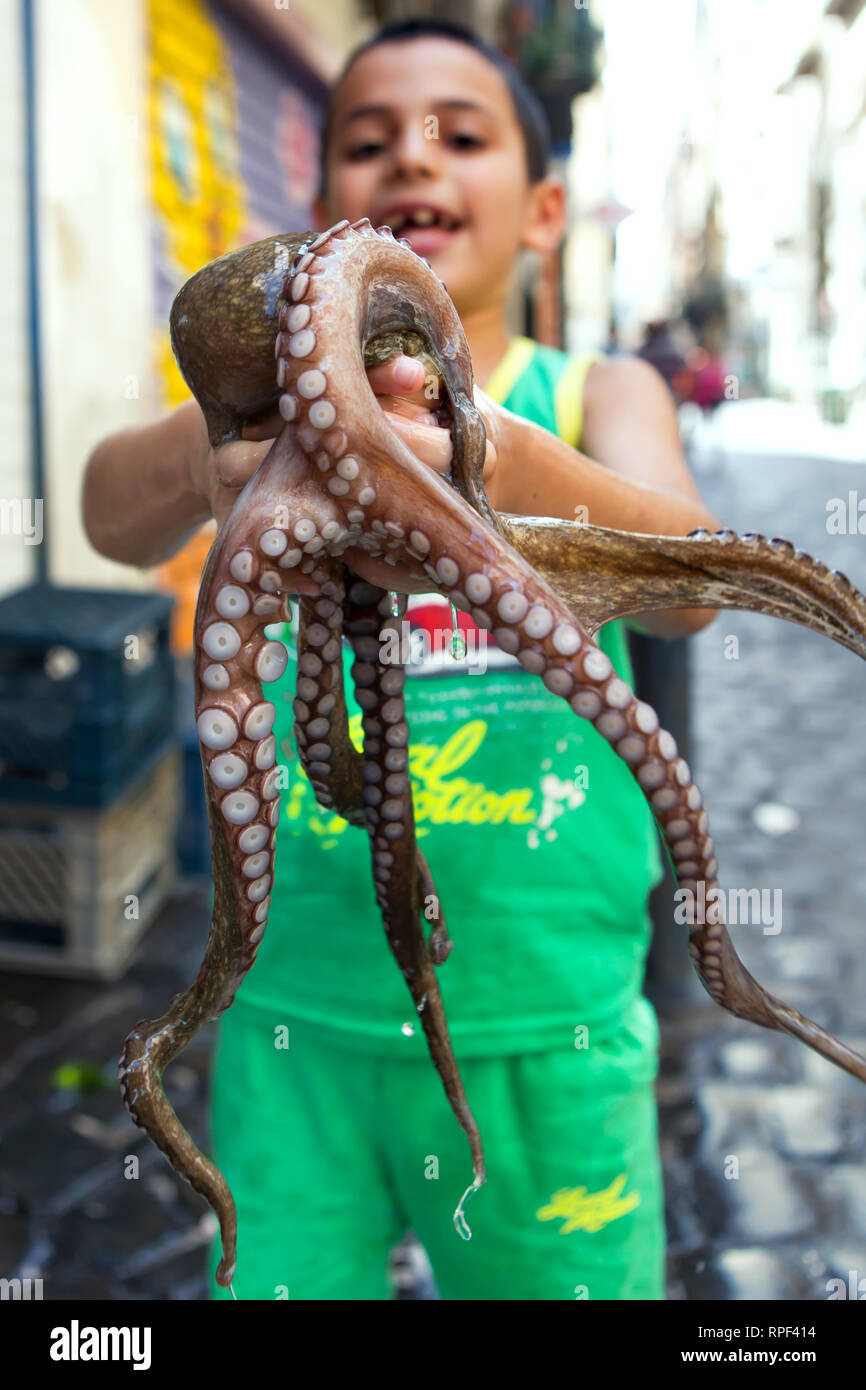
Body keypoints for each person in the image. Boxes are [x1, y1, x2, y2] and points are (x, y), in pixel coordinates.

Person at [83, 18, 719, 1300]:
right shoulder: (258, 420)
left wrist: (485, 447)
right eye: (366, 143)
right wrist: (220, 467)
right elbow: (106, 507)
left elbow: (688, 582)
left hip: (550, 1028)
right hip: (291, 1016)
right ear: (322, 214)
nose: (410, 163)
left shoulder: (596, 393)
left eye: (459, 136)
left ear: (542, 211)